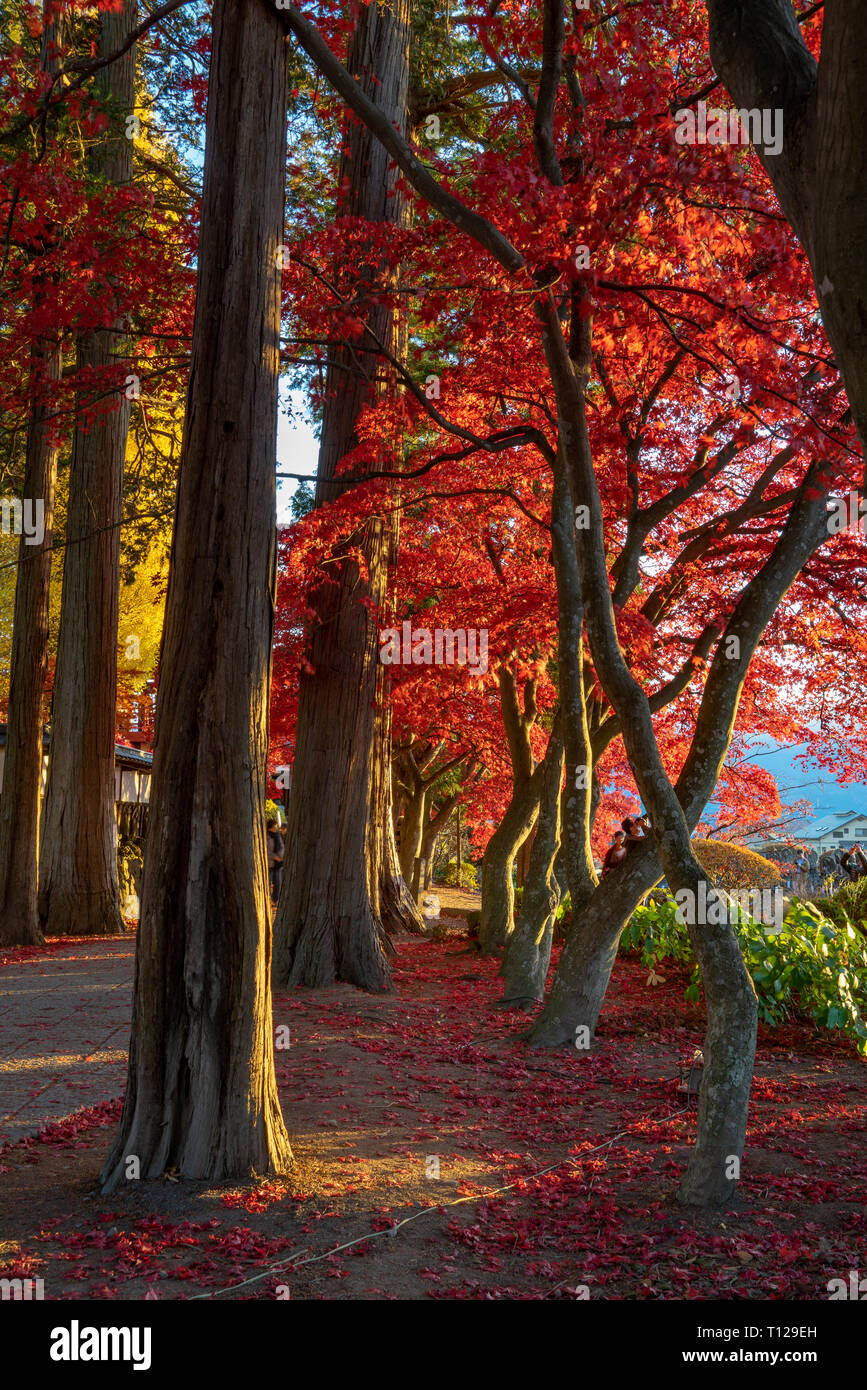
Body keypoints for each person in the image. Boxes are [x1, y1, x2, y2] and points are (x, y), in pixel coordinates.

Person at [266, 815, 284, 902]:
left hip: (277, 865)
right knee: (268, 884)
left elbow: (282, 847)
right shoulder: (266, 837)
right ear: (270, 827)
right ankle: (268, 900)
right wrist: (274, 857)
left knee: (278, 884)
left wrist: (280, 856)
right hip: (269, 864)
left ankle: (275, 900)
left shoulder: (278, 836)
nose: (276, 828)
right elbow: (265, 850)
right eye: (274, 827)